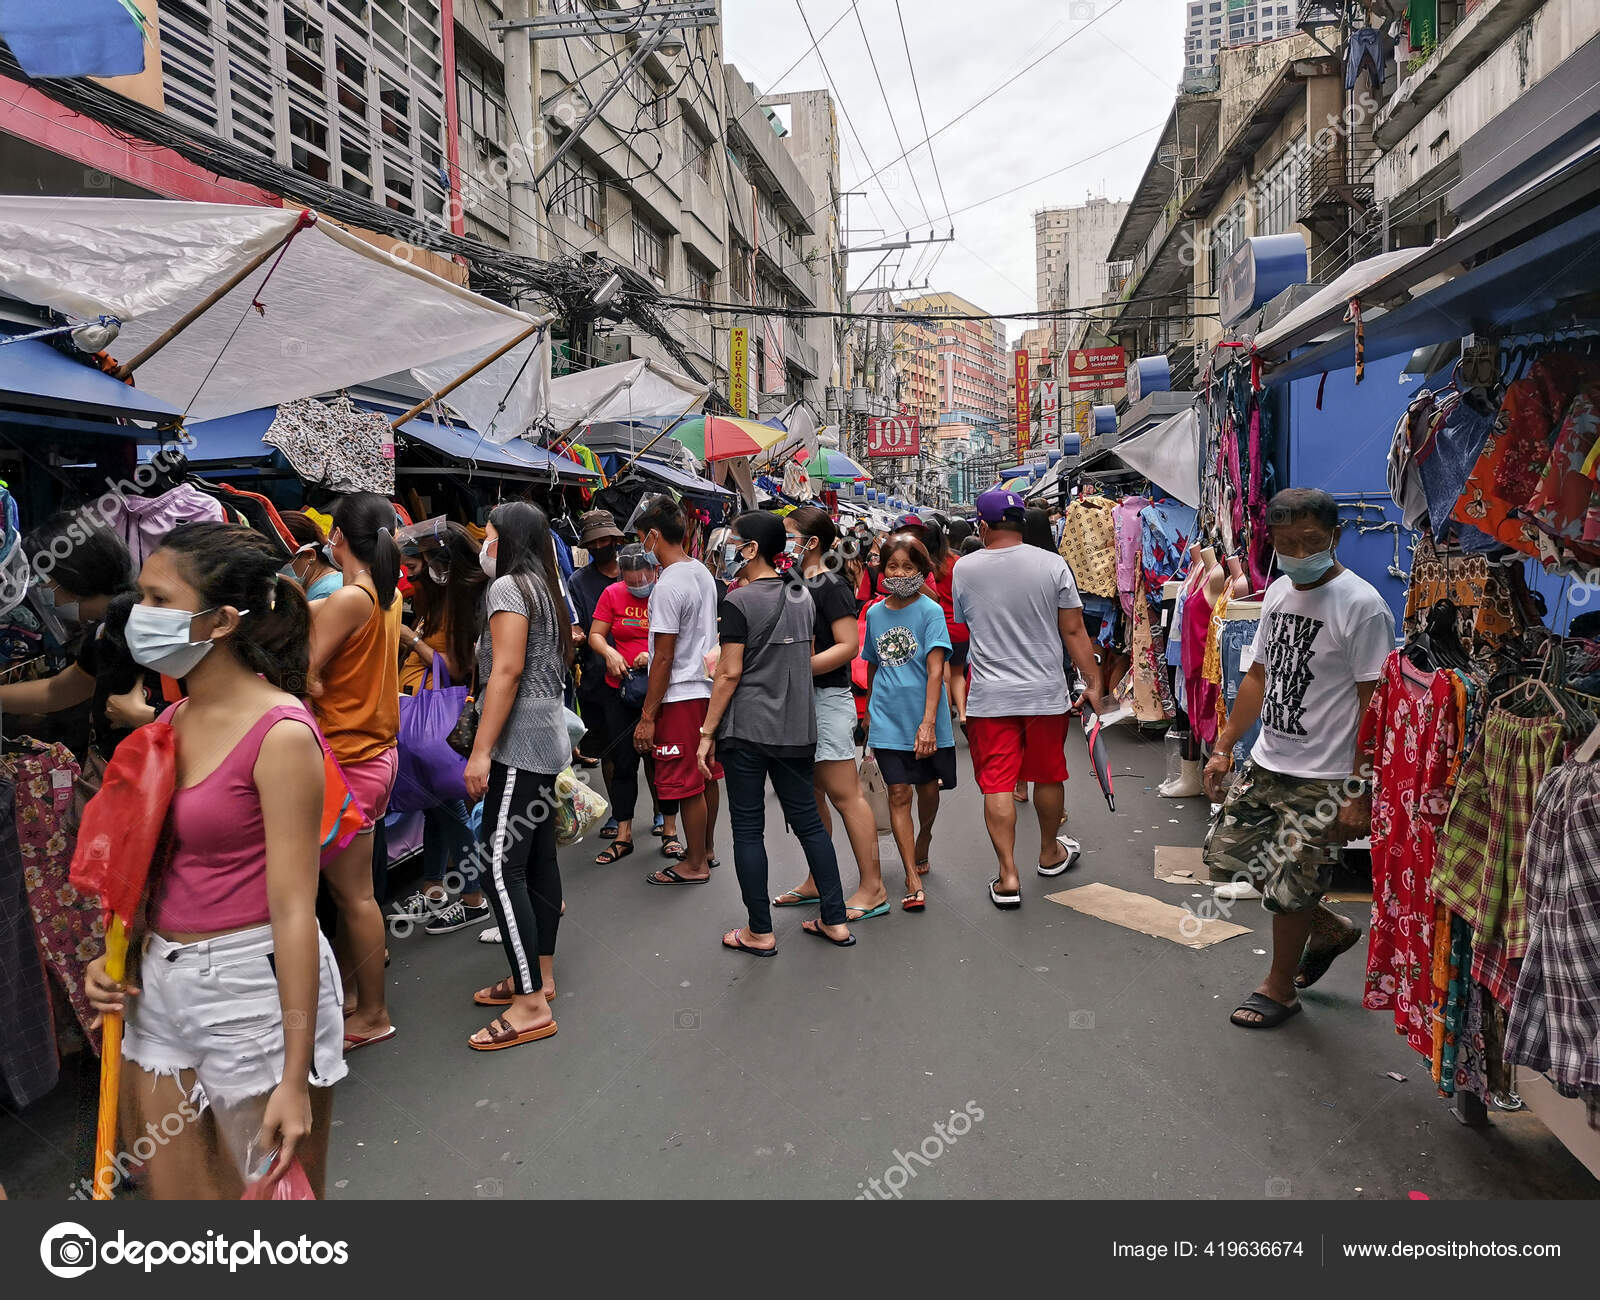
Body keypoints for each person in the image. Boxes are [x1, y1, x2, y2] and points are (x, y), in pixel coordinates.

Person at [85, 523, 343, 1198]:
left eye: (159, 600)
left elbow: (294, 910)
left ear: (223, 620)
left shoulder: (282, 734)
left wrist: (294, 1077)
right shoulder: (167, 724)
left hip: (253, 992)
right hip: (157, 986)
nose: (139, 616)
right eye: (140, 597)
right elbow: (149, 867)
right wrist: (110, 957)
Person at [1203, 488, 1392, 1030]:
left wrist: (1359, 792)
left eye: (1310, 541)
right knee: (1228, 856)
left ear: (1334, 538)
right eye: (1286, 543)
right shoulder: (1282, 590)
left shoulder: (1362, 607)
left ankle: (1280, 987)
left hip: (1325, 779)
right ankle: (1324, 924)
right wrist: (1223, 748)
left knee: (1290, 888)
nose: (1298, 551)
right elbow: (1257, 677)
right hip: (1268, 761)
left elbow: (1373, 707)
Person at [697, 512, 853, 954]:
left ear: (750, 549)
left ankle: (759, 932)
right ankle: (836, 920)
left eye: (733, 542)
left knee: (748, 828)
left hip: (747, 728)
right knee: (809, 822)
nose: (725, 548)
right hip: (796, 727)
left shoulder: (740, 602)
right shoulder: (801, 596)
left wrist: (707, 732)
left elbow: (728, 674)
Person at [954, 488, 1105, 909]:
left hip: (990, 697)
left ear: (983, 526)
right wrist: (1092, 683)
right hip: (1044, 694)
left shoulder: (965, 569)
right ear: (1022, 522)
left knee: (998, 783)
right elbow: (1074, 631)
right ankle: (1048, 852)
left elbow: (965, 624)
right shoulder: (1053, 564)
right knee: (1048, 774)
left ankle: (1007, 876)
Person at [462, 502, 572, 1050]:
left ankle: (529, 1004)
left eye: (489, 535)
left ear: (507, 539)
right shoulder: (545, 586)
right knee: (538, 861)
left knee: (501, 871)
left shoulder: (508, 588)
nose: (485, 544)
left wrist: (481, 753)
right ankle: (540, 976)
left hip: (519, 743)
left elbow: (505, 671)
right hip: (546, 737)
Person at [308, 493, 402, 1051]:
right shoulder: (382, 597)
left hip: (350, 758)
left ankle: (372, 1012)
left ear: (338, 537)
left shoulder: (352, 597)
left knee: (354, 897)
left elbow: (303, 673)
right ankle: (351, 999)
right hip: (372, 754)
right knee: (352, 896)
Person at [771, 508, 883, 919]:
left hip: (826, 699)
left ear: (811, 542)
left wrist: (797, 666)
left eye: (789, 535)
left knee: (845, 795)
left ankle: (873, 887)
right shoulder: (795, 582)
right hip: (797, 702)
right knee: (810, 795)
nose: (785, 544)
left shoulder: (831, 584)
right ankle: (818, 880)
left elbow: (847, 646)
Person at [2, 516, 155, 784]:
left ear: (72, 577)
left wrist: (146, 716)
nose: (45, 594)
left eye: (45, 582)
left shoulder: (144, 629)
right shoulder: (104, 631)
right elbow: (62, 689)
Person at [394, 522, 490, 935]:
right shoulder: (435, 600)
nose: (416, 571)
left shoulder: (459, 603)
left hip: (438, 722)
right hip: (420, 713)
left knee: (449, 809)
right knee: (437, 807)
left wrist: (409, 641)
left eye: (424, 562)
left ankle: (473, 898)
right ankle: (435, 889)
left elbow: (457, 666)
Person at [863, 533, 955, 912]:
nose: (899, 573)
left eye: (908, 566)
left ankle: (925, 837)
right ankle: (911, 876)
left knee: (928, 790)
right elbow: (872, 664)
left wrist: (928, 723)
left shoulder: (931, 613)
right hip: (887, 718)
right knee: (899, 794)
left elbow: (936, 671)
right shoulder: (873, 614)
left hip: (926, 717)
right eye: (893, 566)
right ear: (882, 570)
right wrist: (870, 711)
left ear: (921, 570)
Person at [634, 497, 722, 887]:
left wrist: (648, 716)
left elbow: (664, 657)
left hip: (681, 692)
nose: (641, 547)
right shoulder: (699, 571)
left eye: (641, 538)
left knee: (687, 783)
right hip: (705, 689)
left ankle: (695, 862)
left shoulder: (668, 584)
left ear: (653, 536)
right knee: (706, 775)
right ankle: (706, 848)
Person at [587, 544, 658, 865]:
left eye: (644, 578)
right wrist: (609, 652)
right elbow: (595, 635)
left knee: (660, 760)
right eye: (631, 581)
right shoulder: (612, 594)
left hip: (659, 692)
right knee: (623, 762)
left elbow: (687, 639)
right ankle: (623, 832)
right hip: (620, 690)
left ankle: (665, 823)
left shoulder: (666, 593)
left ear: (655, 571)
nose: (639, 585)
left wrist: (654, 656)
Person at [569, 509, 626, 777]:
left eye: (604, 540)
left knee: (647, 748)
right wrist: (577, 637)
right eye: (593, 543)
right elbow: (577, 624)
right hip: (597, 676)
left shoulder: (634, 571)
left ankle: (662, 812)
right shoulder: (579, 581)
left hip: (638, 672)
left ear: (615, 540)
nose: (599, 546)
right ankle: (618, 814)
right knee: (609, 750)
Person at [279, 510, 344, 603]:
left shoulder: (328, 593)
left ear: (310, 555)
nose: (277, 571)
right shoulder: (311, 588)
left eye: (281, 562)